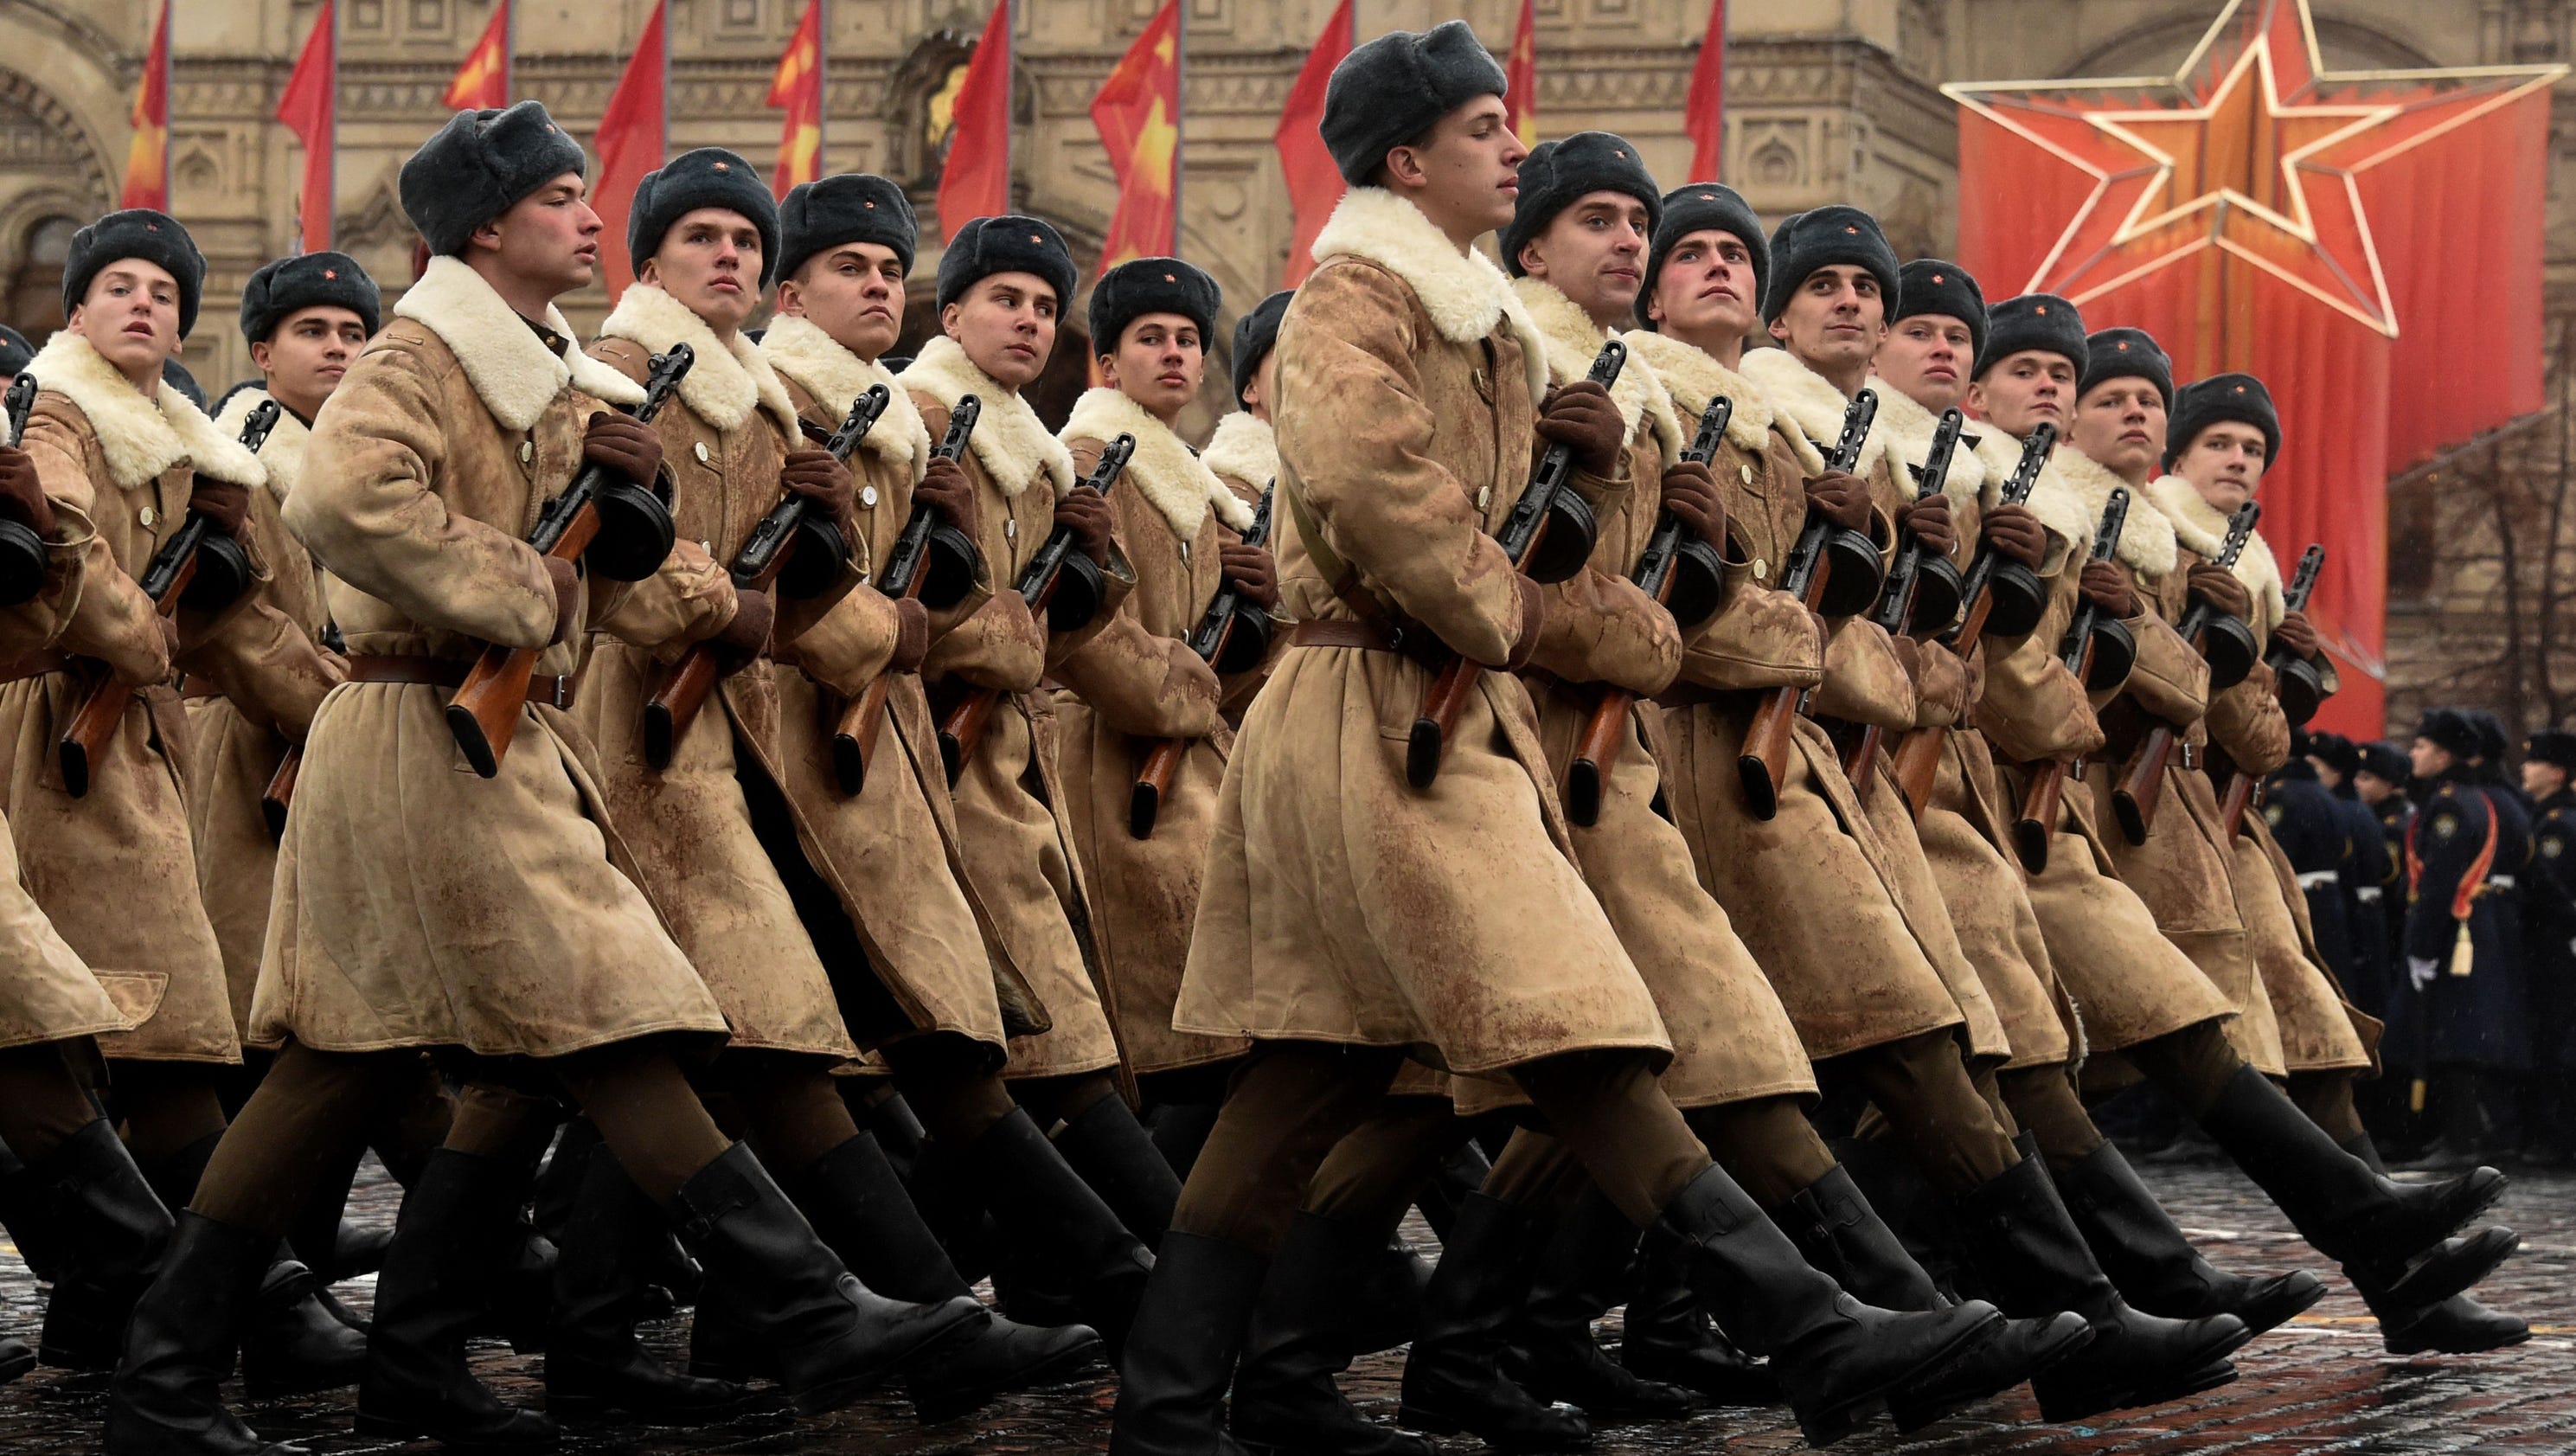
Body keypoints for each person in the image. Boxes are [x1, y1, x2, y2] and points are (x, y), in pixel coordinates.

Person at [1117, 28, 2060, 1455]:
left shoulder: (1477, 321)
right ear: (1404, 157)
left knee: (1307, 1077)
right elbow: (1386, 502)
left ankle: (1205, 1403)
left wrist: (1590, 518)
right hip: (1373, 711)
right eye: (1484, 127)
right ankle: (1809, 1323)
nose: (1512, 146)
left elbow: (1530, 546)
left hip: (1441, 713)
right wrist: (1545, 611)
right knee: (1577, 1023)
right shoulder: (1349, 303)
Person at [105, 103, 990, 1456]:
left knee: (336, 1068)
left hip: (484, 740)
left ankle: (217, 1375)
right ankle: (808, 1306)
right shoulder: (416, 354)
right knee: (615, 1007)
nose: (591, 217)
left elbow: (611, 579)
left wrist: (691, 577)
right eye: (563, 196)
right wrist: (534, 576)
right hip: (422, 726)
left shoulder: (549, 372)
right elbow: (347, 501)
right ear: (483, 226)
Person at [570, 148, 1099, 1421]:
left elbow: (866, 609)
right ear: (647, 261)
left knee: (680, 1045)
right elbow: (637, 563)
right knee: (713, 1032)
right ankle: (962, 1302)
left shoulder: (767, 401)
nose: (729, 260)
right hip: (647, 731)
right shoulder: (626, 373)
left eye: (746, 240)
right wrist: (791, 605)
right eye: (702, 237)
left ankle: (713, 1333)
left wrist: (875, 574)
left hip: (749, 745)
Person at [1728, 213, 2249, 1418]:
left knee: (1881, 1049)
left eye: (1879, 289)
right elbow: (1736, 617)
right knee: (1710, 1057)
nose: (1863, 310)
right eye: (1832, 288)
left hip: (1900, 780)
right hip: (1761, 768)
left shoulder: (1932, 475)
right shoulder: (1754, 426)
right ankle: (1985, 1311)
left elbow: (2212, 714)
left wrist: (2005, 602)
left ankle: (1954, 1314)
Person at [2028, 327, 2516, 1349]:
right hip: (2123, 827)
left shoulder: (2204, 556)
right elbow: (2123, 703)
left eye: (2252, 449)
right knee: (2108, 1063)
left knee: (2307, 1047)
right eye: (2216, 442)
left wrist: (2276, 670)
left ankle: (2402, 1287)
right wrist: (2211, 652)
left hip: (2209, 835)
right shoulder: (2114, 528)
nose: (2234, 461)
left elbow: (2253, 734)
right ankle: (2102, 1289)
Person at [754, 173, 1156, 1359]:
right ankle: (1134, 1277)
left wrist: (1092, 568)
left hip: (945, 767)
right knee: (854, 1043)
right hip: (830, 746)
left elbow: (1039, 623)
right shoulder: (840, 408)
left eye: (1044, 301)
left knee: (874, 1045)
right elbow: (861, 608)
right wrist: (937, 616)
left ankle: (936, 1292)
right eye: (999, 298)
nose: (1028, 320)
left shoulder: (961, 437)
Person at [0, 208, 338, 1384]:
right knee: (155, 1035)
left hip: (137, 750)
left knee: (137, 1034)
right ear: (78, 312)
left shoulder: (186, 444)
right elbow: (76, 574)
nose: (145, 303)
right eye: (120, 287)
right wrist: (154, 623)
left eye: (165, 292)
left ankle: (105, 1323)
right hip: (60, 741)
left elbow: (231, 624)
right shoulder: (55, 415)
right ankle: (255, 1304)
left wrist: (341, 711)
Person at [1051, 255, 1269, 1164]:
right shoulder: (1088, 462)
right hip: (1112, 766)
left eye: (1186, 339)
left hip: (1189, 763)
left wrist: (1263, 613)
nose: (1175, 354)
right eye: (1149, 339)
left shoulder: (1192, 482)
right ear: (1106, 362)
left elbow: (1224, 664)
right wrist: (1184, 691)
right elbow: (1085, 629)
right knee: (1172, 1029)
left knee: (1201, 1028)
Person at [2518, 727, 2576, 1166]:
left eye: (2535, 762)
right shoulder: (2541, 816)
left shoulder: (2558, 824)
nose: (2525, 768)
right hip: (2545, 945)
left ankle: (2557, 1136)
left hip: (2554, 946)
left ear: (2556, 773)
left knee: (2555, 1036)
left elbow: (2551, 891)